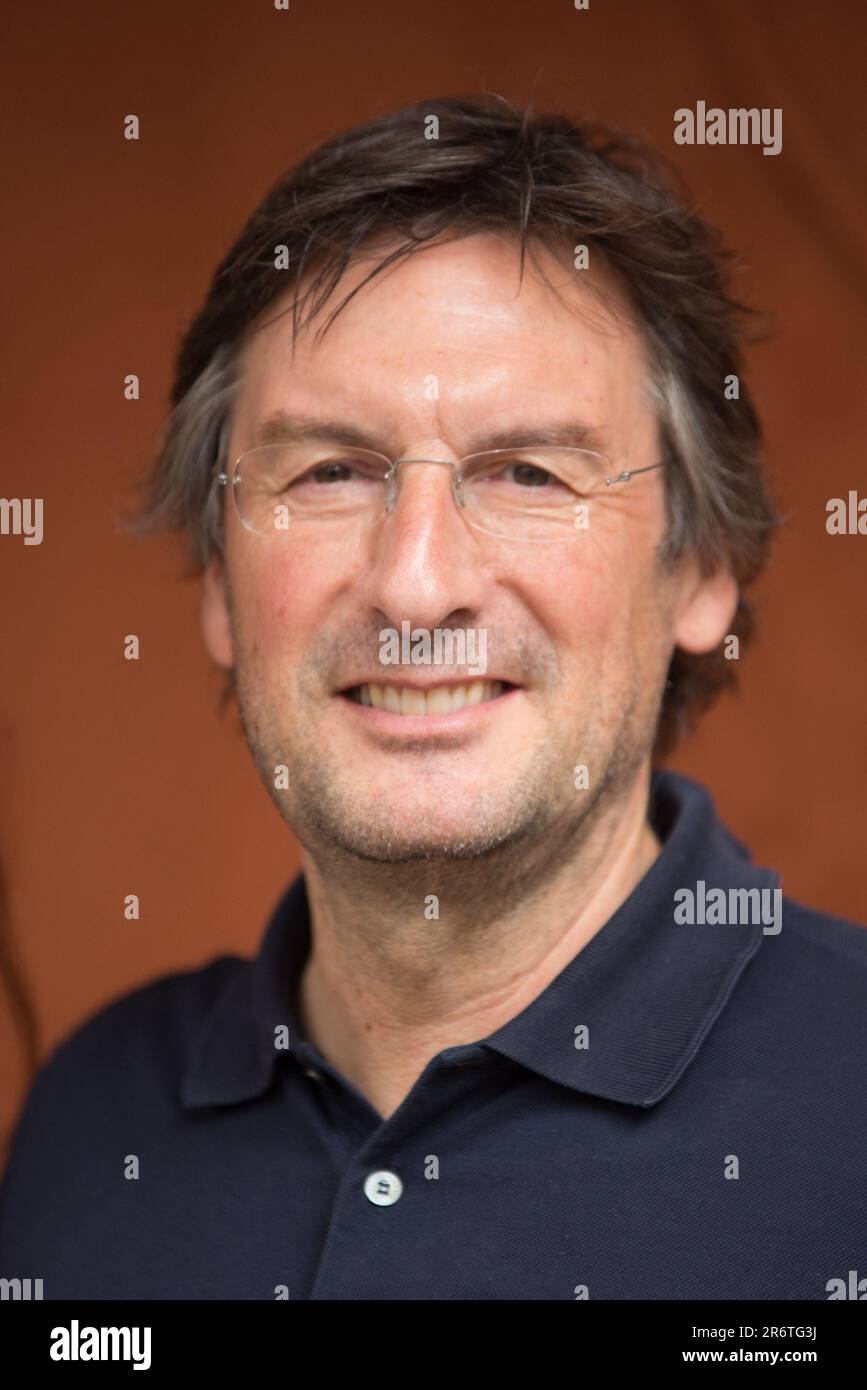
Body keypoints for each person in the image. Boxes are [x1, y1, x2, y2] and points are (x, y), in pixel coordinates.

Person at [1, 94, 865, 1302]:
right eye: (330, 470)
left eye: (526, 471)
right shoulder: (89, 1127)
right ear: (218, 583)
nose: (416, 579)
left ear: (704, 569)